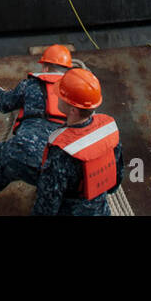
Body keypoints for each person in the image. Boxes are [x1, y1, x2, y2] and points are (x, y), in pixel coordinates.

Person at [0, 44, 72, 213]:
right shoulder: (74, 94)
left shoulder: (29, 86)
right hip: (52, 164)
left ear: (44, 66)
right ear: (68, 70)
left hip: (18, 153)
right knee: (57, 189)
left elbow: (5, 104)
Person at [32, 69, 123, 216]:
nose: (56, 96)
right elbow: (116, 179)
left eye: (61, 96)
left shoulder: (62, 151)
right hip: (100, 210)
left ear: (73, 110)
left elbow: (49, 202)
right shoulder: (109, 129)